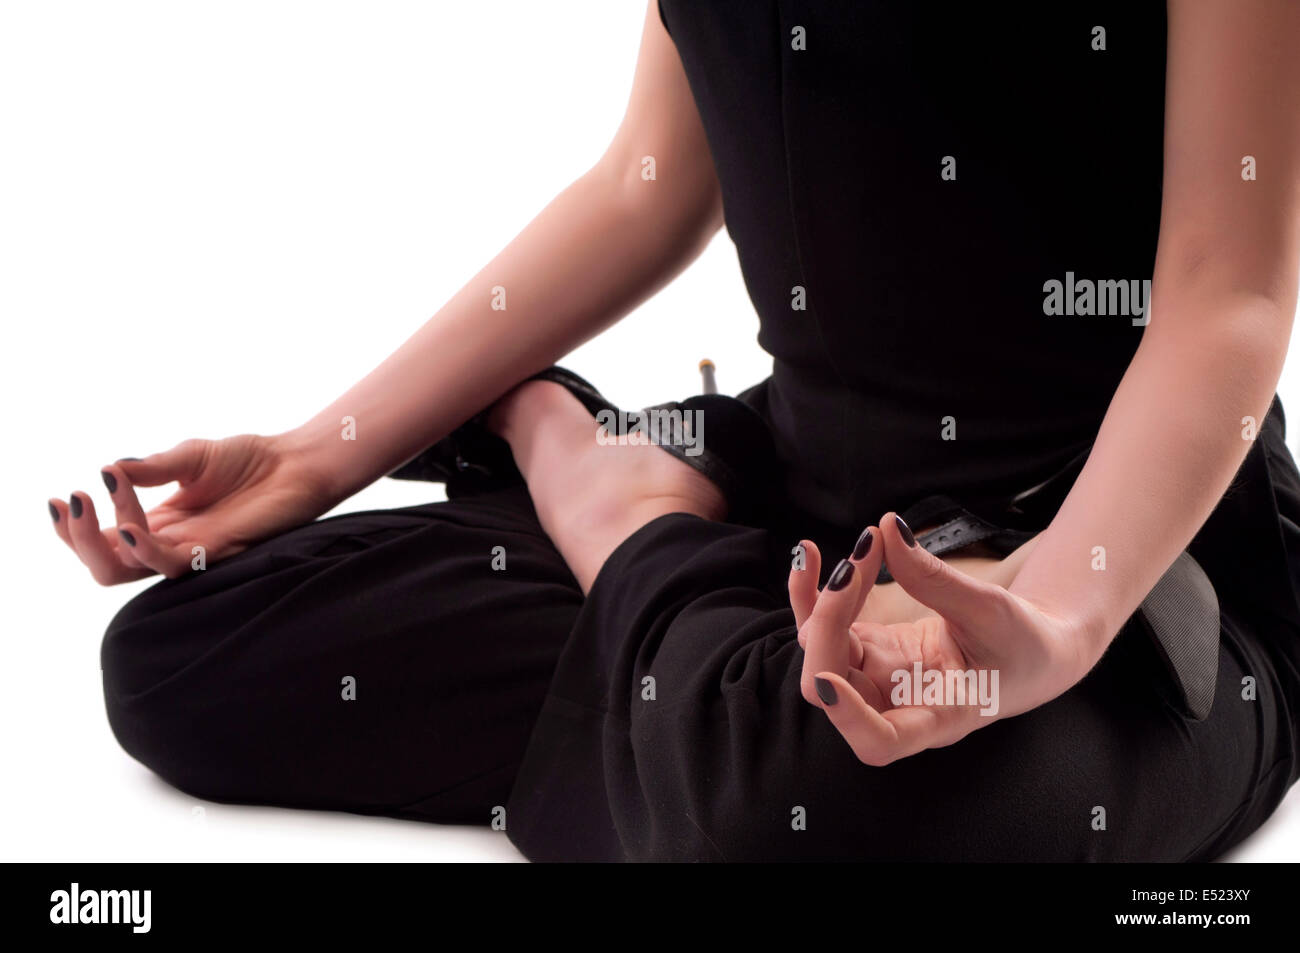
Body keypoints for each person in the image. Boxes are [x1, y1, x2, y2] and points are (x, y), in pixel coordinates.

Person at [50, 1, 1300, 861]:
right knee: (185, 662)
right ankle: (682, 642)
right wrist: (314, 455)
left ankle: (625, 528)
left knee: (813, 819)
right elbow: (649, 183)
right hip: (792, 521)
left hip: (1120, 557)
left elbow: (1227, 296)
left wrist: (1056, 621)